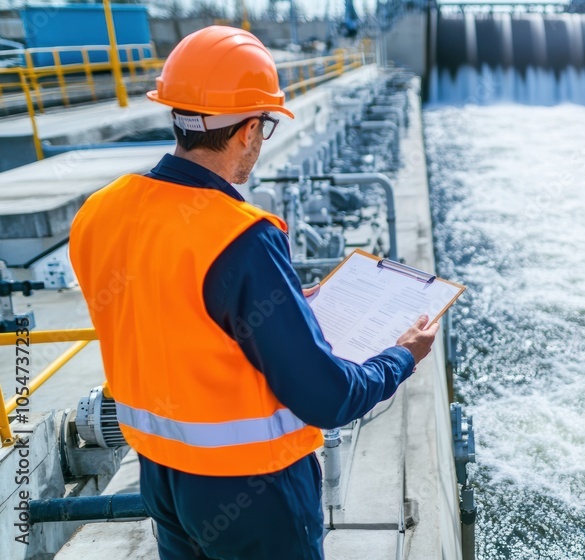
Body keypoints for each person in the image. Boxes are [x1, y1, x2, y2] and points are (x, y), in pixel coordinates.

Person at [68, 26, 438, 560]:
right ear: (247, 131)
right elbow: (327, 396)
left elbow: (167, 308)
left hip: (162, 478)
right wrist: (401, 357)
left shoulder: (100, 212)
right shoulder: (240, 236)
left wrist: (277, 303)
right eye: (264, 126)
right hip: (253, 489)